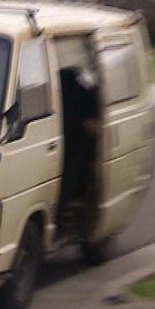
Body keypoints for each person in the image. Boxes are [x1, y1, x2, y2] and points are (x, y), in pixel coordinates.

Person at [57, 67, 99, 233]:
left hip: (63, 142)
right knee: (71, 174)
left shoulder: (60, 93)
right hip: (74, 145)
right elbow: (91, 127)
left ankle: (61, 212)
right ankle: (63, 213)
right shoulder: (83, 95)